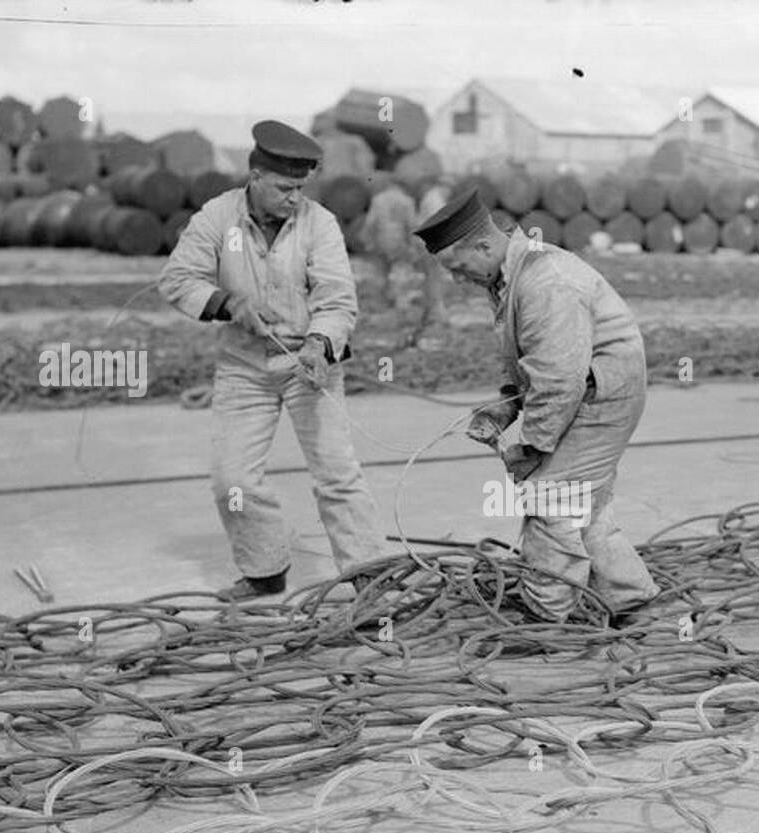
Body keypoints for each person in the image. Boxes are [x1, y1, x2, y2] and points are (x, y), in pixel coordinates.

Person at [159, 120, 384, 600]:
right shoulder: (216, 218)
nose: (294, 198)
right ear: (255, 176)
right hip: (244, 366)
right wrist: (227, 303)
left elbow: (338, 298)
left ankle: (368, 576)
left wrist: (320, 345)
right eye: (284, 187)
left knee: (337, 474)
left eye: (301, 187)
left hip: (309, 364)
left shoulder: (319, 223)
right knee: (232, 481)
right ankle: (264, 571)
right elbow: (177, 279)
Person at [412, 189, 660, 625]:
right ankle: (630, 598)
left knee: (548, 498)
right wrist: (505, 409)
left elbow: (559, 382)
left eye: (458, 267)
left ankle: (547, 614)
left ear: (483, 246)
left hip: (599, 397)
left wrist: (531, 447)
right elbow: (533, 362)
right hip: (590, 389)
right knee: (583, 502)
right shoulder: (512, 274)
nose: (457, 279)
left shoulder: (546, 283)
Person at [360, 175, 448, 344]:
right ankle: (400, 303)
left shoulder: (378, 199)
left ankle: (386, 301)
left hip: (382, 240)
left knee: (383, 273)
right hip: (400, 241)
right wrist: (414, 245)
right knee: (401, 272)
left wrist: (368, 239)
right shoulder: (406, 201)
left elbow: (371, 221)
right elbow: (411, 225)